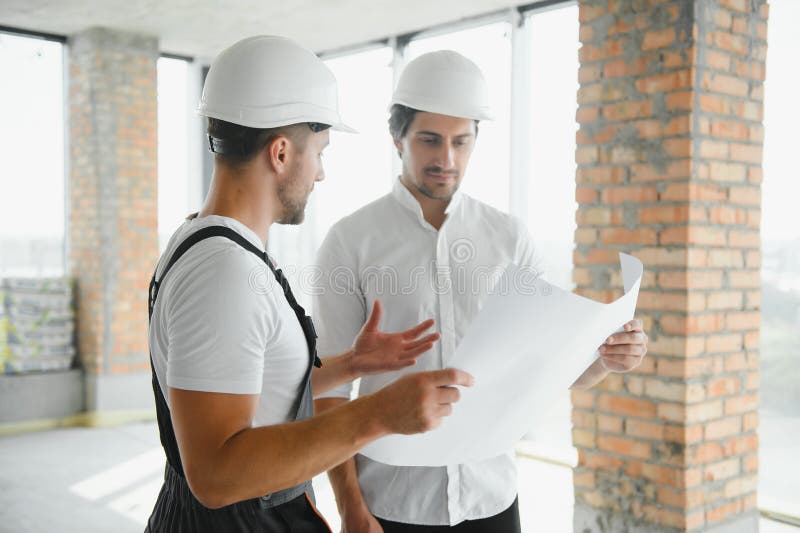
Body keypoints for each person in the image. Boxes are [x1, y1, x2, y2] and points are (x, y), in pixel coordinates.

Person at [145, 36, 474, 533]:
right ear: (280, 153)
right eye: (319, 151)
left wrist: (351, 366)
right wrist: (377, 414)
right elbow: (215, 474)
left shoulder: (203, 240)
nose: (321, 174)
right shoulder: (224, 274)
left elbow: (243, 382)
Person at [313, 50, 649, 532]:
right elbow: (330, 392)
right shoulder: (351, 241)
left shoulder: (509, 238)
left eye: (461, 142)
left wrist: (606, 358)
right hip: (390, 503)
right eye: (429, 140)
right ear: (397, 139)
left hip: (492, 501)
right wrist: (349, 508)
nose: (446, 159)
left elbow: (551, 370)